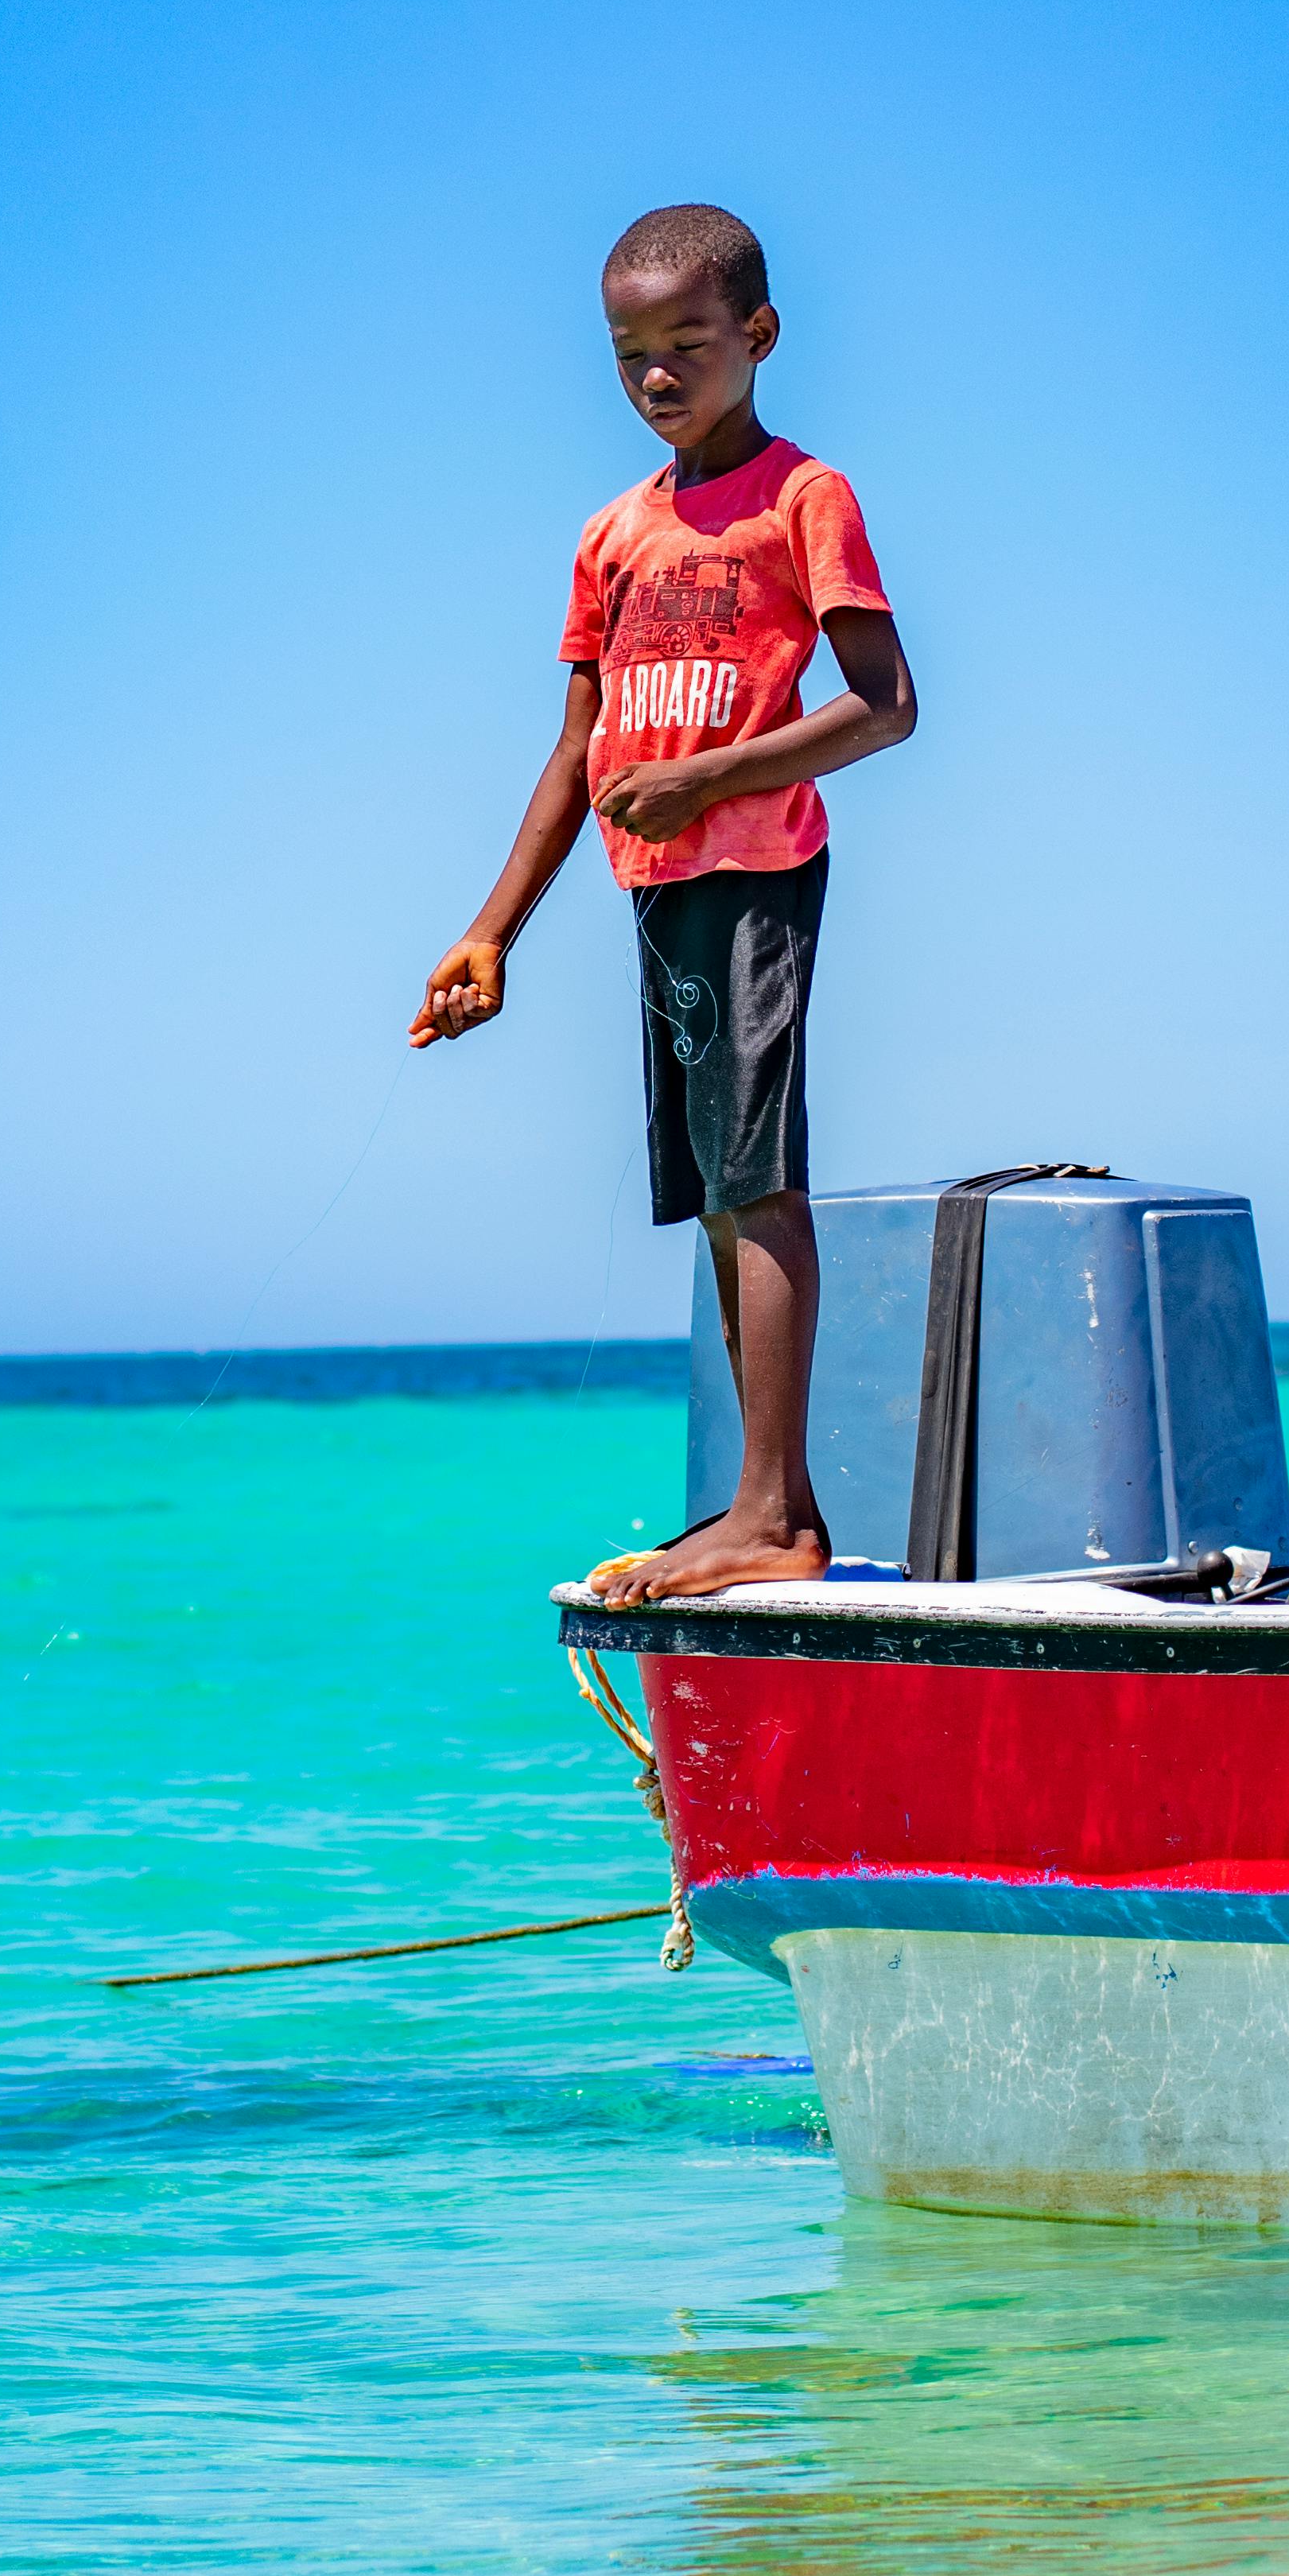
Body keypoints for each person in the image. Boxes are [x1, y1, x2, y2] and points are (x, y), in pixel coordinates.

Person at [410, 204, 915, 1597]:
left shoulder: (804, 498)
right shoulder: (612, 536)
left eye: (688, 344)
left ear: (757, 336)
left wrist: (710, 780)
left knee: (760, 1184)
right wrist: (490, 931)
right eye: (630, 354)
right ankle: (771, 1508)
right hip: (658, 888)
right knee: (709, 1192)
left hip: (756, 872)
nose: (658, 376)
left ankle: (767, 1521)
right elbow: (577, 751)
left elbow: (885, 707)